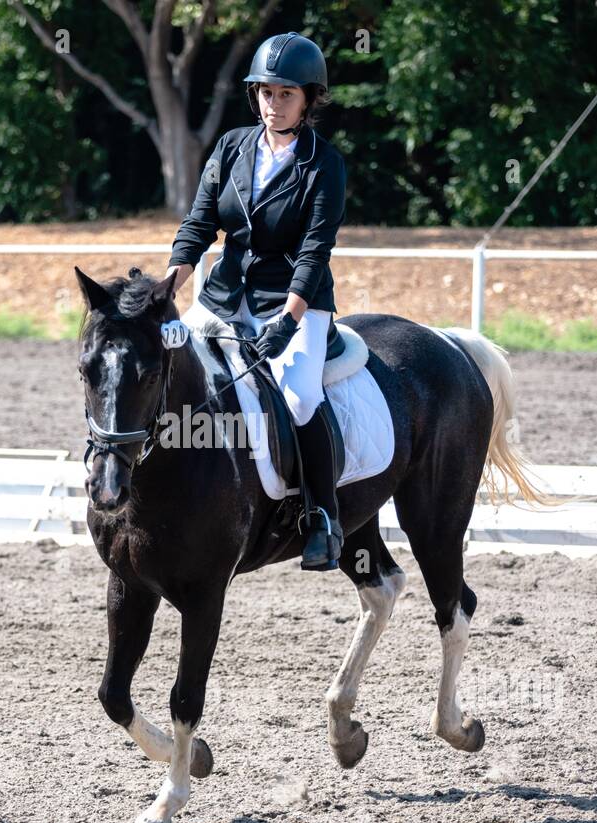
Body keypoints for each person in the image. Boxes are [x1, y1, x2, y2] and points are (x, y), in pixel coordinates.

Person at [164, 31, 347, 571]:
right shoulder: (231, 147)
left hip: (294, 300)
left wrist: (289, 319)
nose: (273, 104)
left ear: (309, 98)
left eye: (286, 94)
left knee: (298, 398)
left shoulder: (324, 164)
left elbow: (315, 252)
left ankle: (322, 517)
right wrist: (165, 287)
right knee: (173, 371)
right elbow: (199, 225)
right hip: (223, 296)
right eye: (266, 93)